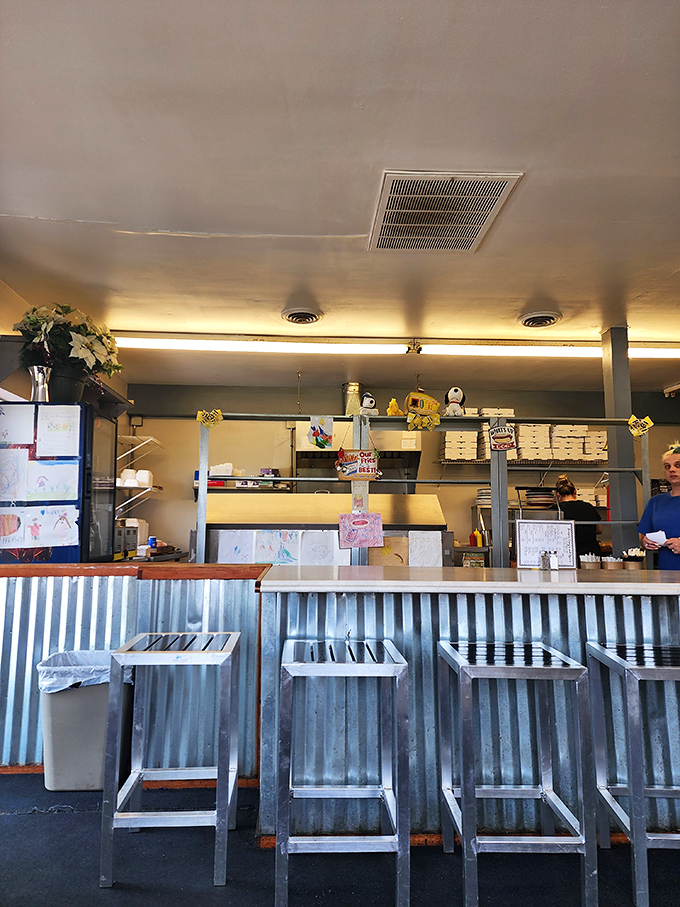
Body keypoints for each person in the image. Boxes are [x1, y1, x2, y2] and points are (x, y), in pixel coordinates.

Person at [638, 442, 680, 570]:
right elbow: (643, 536)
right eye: (667, 466)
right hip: (666, 572)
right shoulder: (656, 502)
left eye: (678, 465)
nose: (672, 469)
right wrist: (646, 541)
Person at [554, 474, 602, 564]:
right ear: (575, 492)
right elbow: (599, 529)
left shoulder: (556, 510)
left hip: (567, 557)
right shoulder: (588, 507)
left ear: (558, 495)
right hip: (590, 556)